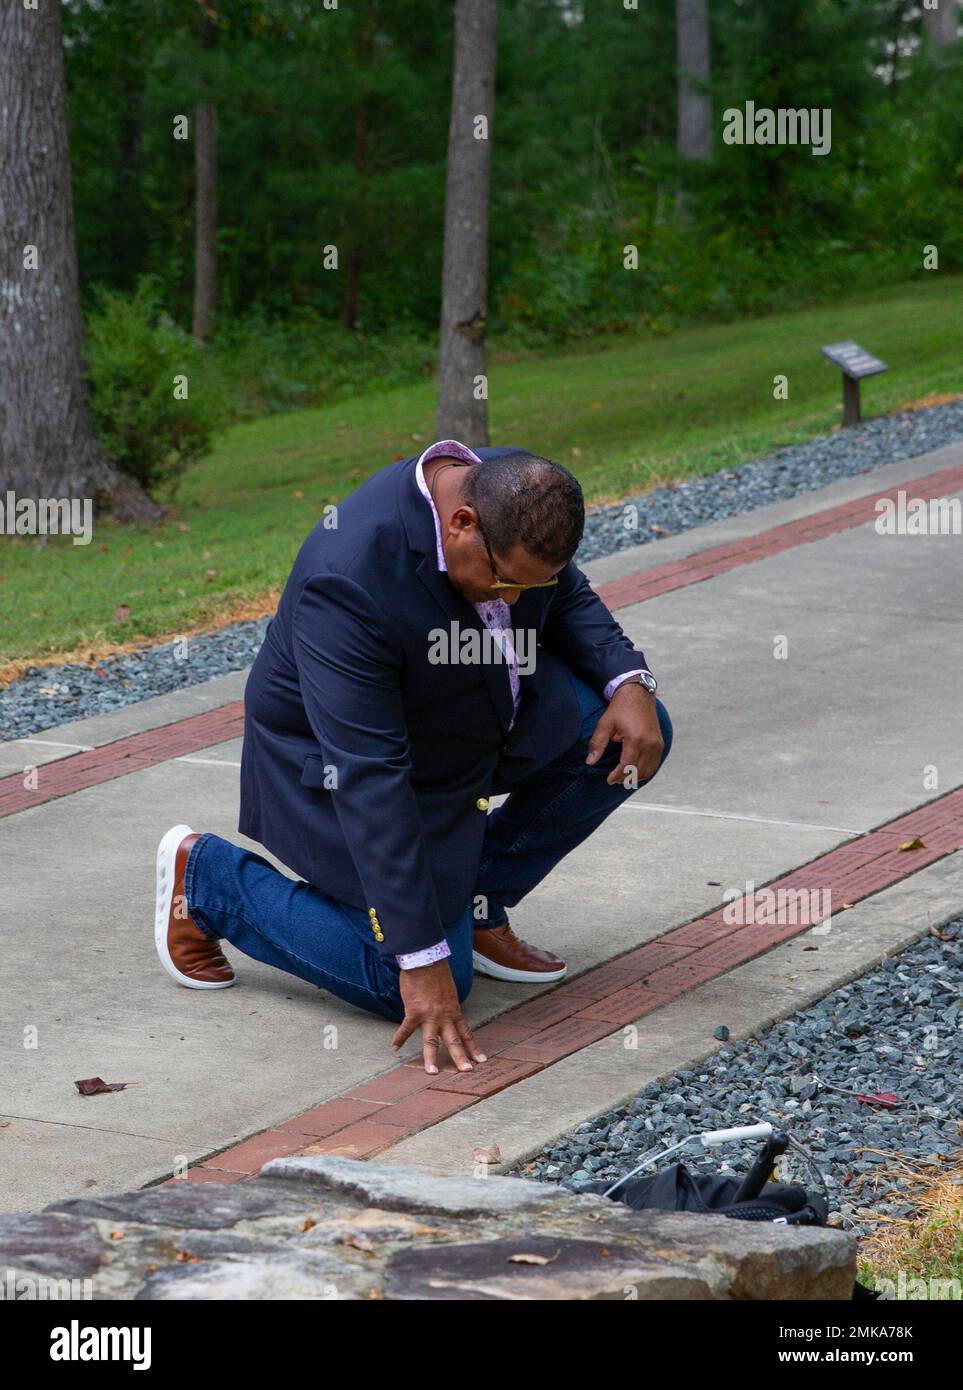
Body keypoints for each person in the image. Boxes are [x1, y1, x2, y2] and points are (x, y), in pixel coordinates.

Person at [155, 440, 672, 1075]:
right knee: (401, 978)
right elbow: (370, 775)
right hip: (349, 766)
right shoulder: (346, 580)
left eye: (527, 584)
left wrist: (630, 681)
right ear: (461, 524)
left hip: (474, 724)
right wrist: (421, 957)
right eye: (504, 581)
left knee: (633, 735)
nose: (513, 600)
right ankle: (210, 882)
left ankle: (476, 901)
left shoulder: (514, 490)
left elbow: (566, 593)